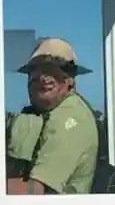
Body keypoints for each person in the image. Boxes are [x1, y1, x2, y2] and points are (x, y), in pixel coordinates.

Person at [6, 38, 101, 195]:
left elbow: (36, 191)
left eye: (53, 70)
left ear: (70, 79)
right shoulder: (38, 116)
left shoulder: (71, 119)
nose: (44, 78)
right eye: (36, 70)